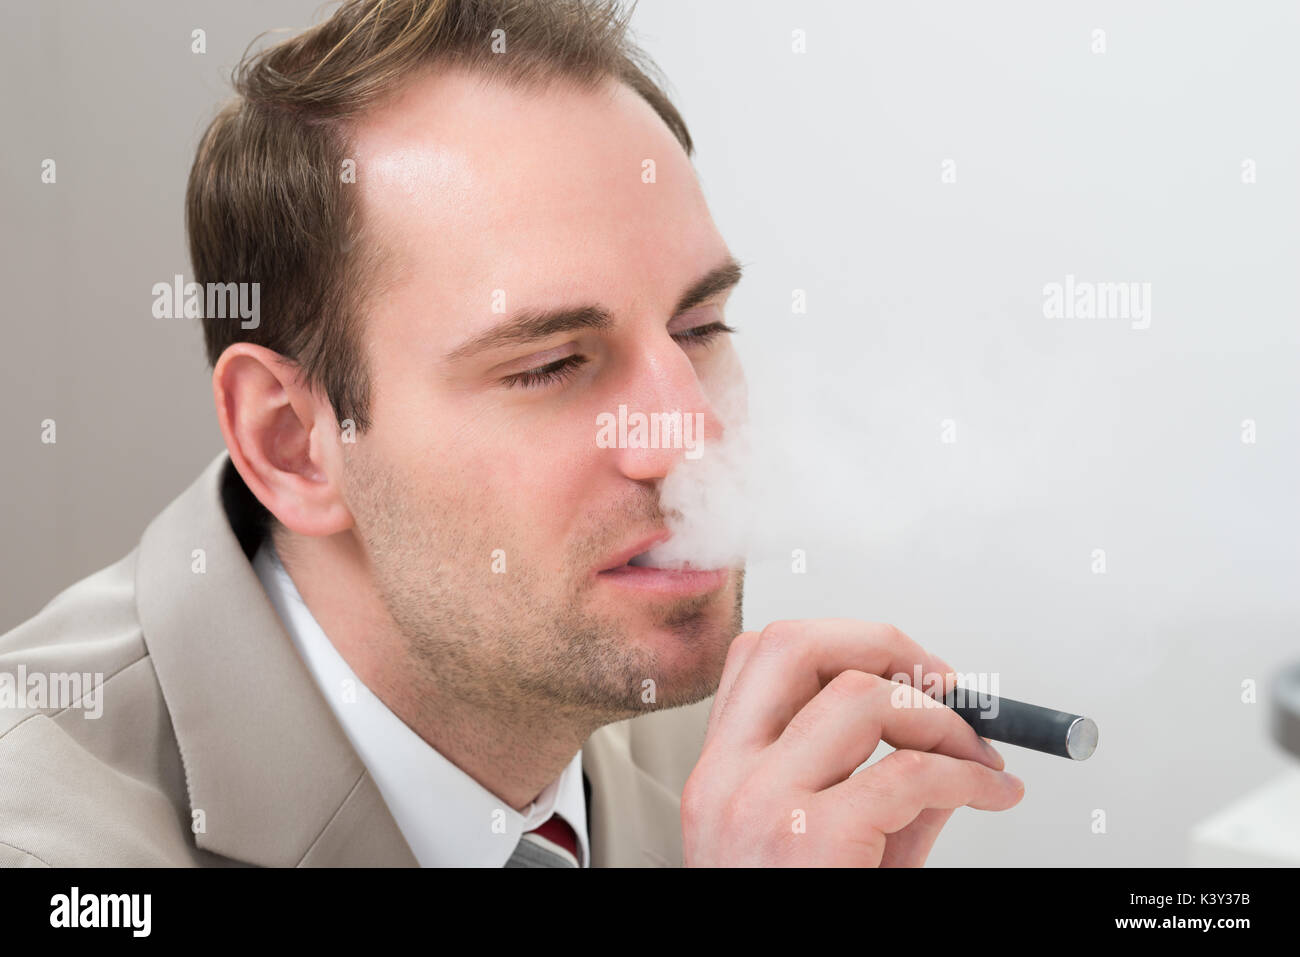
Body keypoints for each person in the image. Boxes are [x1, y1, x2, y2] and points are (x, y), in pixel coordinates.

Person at [0, 0, 1022, 868]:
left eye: (701, 328)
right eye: (548, 364)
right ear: (292, 444)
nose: (687, 438)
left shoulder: (632, 675)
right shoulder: (46, 837)